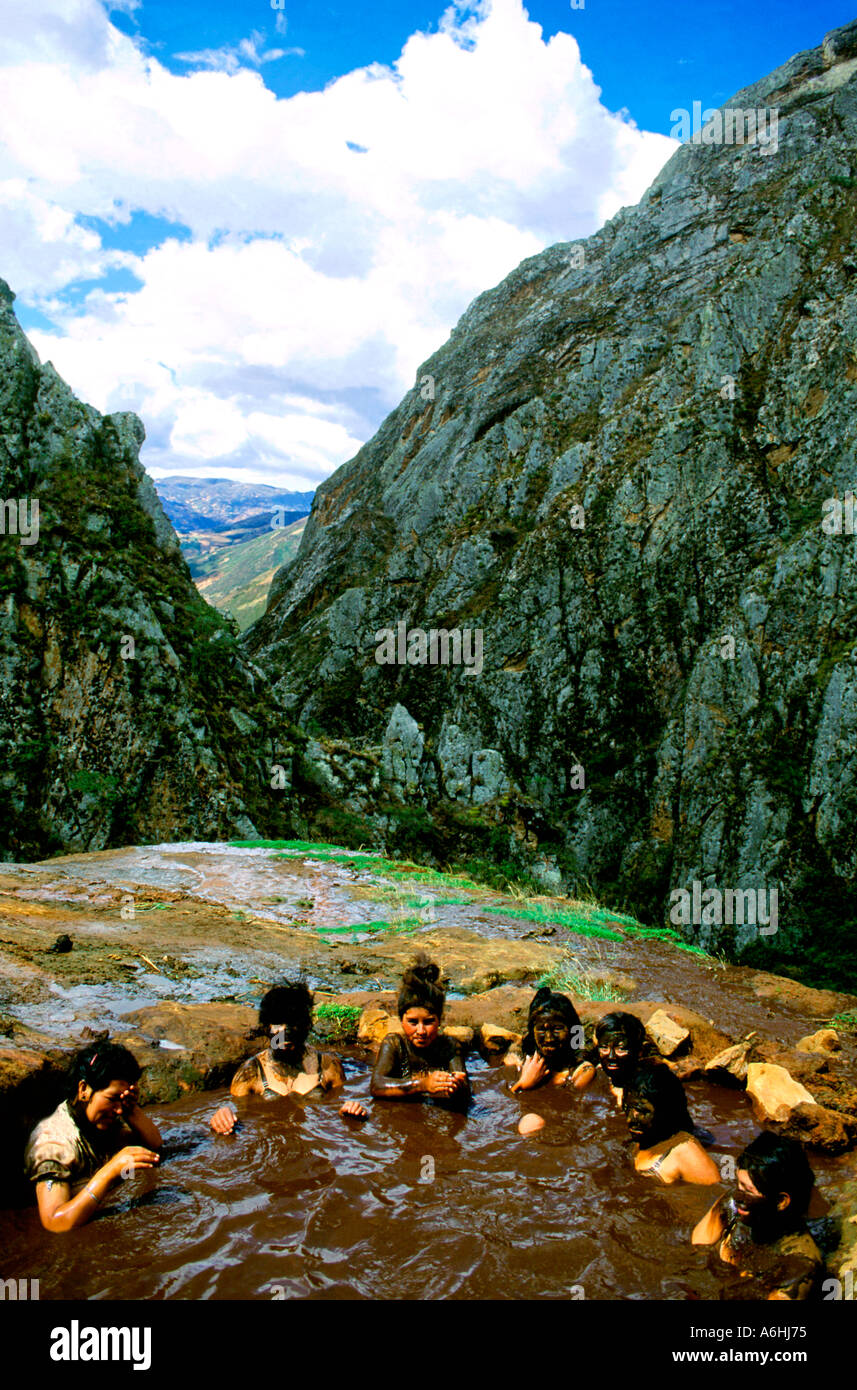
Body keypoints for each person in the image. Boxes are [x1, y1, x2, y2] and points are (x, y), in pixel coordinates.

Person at [24, 1041, 162, 1233]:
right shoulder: (53, 1144)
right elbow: (55, 1223)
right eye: (113, 1099)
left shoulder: (100, 1119)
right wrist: (110, 1172)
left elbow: (154, 1148)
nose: (119, 1109)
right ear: (83, 1090)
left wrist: (132, 1110)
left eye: (124, 1100)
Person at [209, 981, 367, 1133]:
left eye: (292, 1027)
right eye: (278, 1027)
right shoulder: (251, 1073)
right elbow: (238, 1115)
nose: (284, 1035)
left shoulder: (328, 1066)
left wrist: (350, 1108)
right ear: (266, 1028)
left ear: (305, 1027)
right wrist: (223, 1115)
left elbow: (339, 1105)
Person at [692, 1132, 822, 1299]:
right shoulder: (731, 1206)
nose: (738, 1196)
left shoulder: (800, 1266)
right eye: (739, 1185)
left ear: (781, 1201)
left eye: (748, 1190)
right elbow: (696, 1253)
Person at [370, 954, 469, 1102]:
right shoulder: (395, 1045)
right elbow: (376, 1086)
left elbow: (466, 1093)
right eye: (413, 1022)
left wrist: (458, 1086)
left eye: (428, 1022)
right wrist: (422, 1085)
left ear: (440, 1020)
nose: (421, 1031)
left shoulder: (450, 1047)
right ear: (401, 1020)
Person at [505, 987, 591, 1135]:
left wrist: (522, 1086)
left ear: (571, 1030)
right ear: (532, 1031)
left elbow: (567, 1105)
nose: (550, 1038)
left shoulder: (581, 1071)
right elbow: (503, 1104)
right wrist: (522, 1084)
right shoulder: (521, 1061)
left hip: (562, 1132)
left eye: (557, 1029)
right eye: (542, 1030)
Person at [622, 1064, 720, 1185]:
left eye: (644, 1112)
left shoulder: (686, 1151)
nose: (630, 1119)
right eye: (627, 1108)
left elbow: (717, 1197)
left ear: (666, 1111)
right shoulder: (639, 1141)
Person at [574, 1011, 649, 1107]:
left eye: (621, 1049)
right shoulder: (592, 1078)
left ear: (639, 1051)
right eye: (604, 1048)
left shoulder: (649, 1089)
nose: (611, 1057)